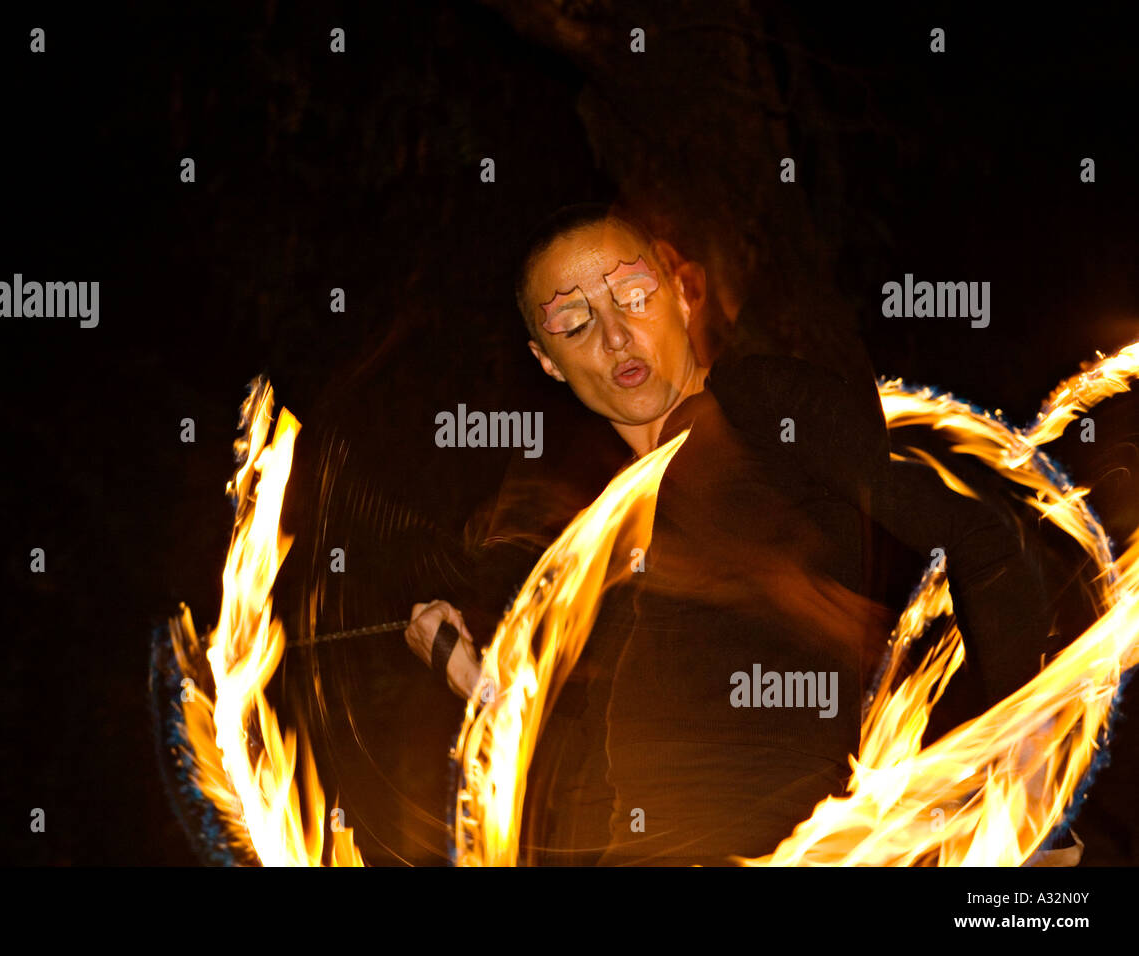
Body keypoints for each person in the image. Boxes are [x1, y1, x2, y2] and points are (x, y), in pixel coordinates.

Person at [405, 202, 1061, 865]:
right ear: (546, 362)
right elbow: (609, 750)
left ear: (680, 296)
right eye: (576, 326)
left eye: (633, 297)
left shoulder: (764, 407)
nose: (616, 338)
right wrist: (481, 682)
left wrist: (1024, 785)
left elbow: (982, 537)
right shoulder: (596, 526)